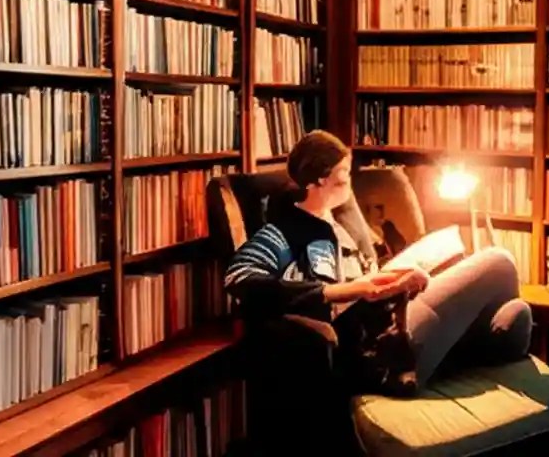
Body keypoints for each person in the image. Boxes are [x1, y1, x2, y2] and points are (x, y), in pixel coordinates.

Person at [223, 130, 532, 395]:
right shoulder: (283, 233)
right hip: (375, 342)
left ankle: (477, 349)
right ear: (318, 181)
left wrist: (392, 277)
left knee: (514, 315)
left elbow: (372, 279)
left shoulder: (338, 227)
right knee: (500, 262)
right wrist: (343, 291)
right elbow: (239, 279)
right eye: (343, 178)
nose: (349, 187)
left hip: (395, 309)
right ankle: (455, 357)